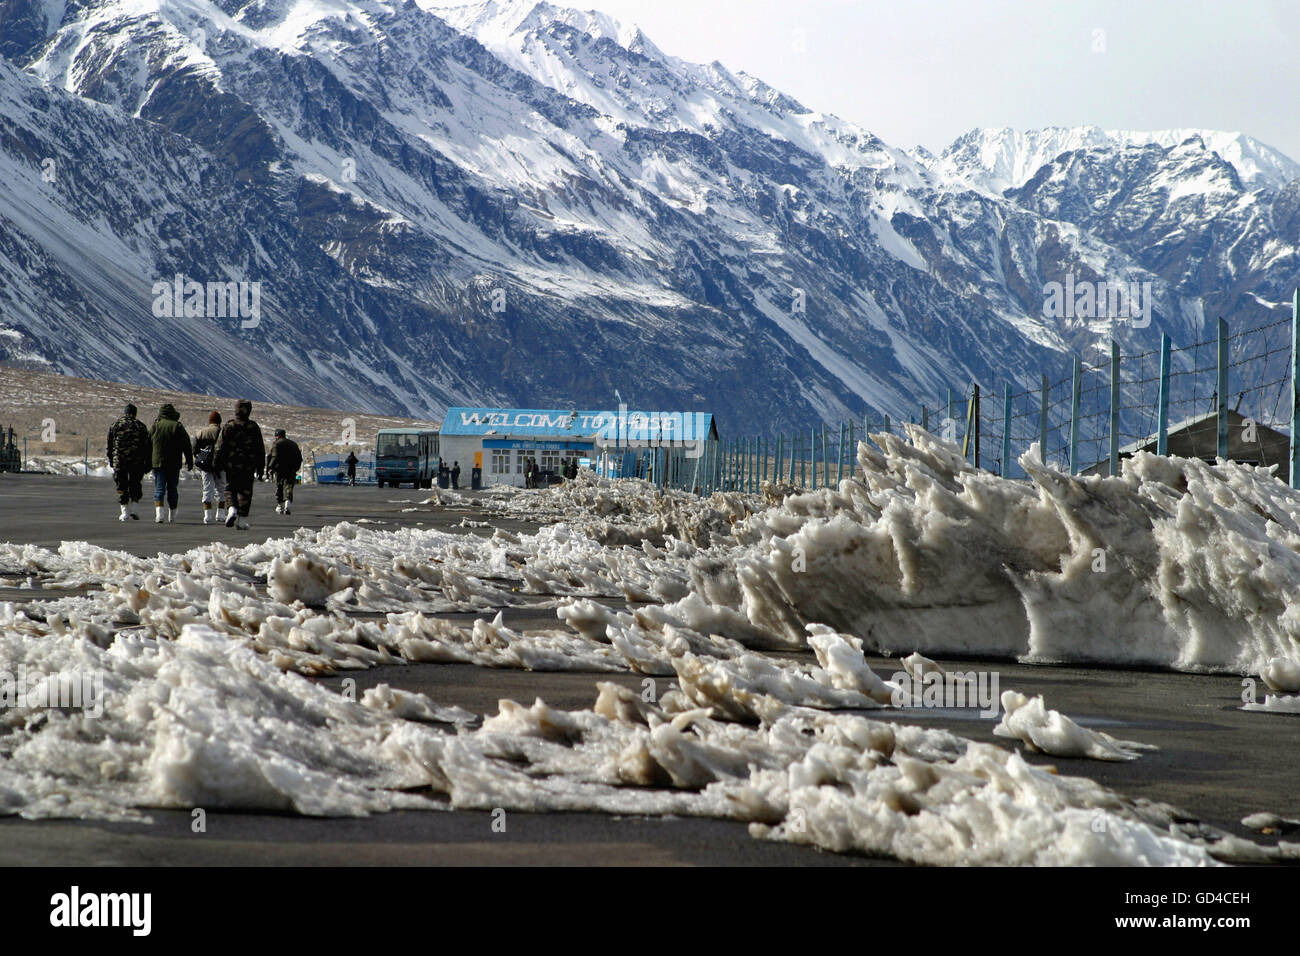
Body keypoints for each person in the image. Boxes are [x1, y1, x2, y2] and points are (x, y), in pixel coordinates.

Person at [213, 399, 265, 530]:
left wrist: (217, 464)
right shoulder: (253, 427)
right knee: (246, 492)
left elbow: (220, 447)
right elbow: (260, 449)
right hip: (248, 466)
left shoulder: (229, 426)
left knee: (230, 489)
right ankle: (241, 520)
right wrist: (260, 467)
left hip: (231, 465)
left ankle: (231, 510)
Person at [148, 403, 193, 523]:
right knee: (172, 489)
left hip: (158, 463)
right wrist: (189, 460)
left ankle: (159, 515)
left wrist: (146, 461)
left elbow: (147, 444)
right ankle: (172, 515)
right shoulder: (177, 426)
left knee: (159, 488)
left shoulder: (156, 426)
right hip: (174, 464)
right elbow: (186, 445)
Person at [107, 403, 150, 521]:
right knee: (135, 485)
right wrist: (147, 463)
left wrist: (111, 460)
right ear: (135, 413)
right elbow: (147, 447)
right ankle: (134, 510)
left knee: (121, 485)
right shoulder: (140, 426)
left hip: (119, 461)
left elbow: (110, 446)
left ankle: (124, 512)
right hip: (137, 462)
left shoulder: (115, 425)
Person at [193, 411, 225, 524]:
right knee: (221, 489)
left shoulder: (201, 432)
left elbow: (195, 449)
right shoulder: (222, 432)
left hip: (205, 465)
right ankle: (220, 514)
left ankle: (207, 516)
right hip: (220, 465)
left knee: (207, 489)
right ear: (219, 421)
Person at [267, 428, 303, 515]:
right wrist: (296, 468)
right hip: (290, 469)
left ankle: (279, 506)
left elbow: (273, 456)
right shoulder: (293, 444)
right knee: (289, 487)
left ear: (277, 436)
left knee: (279, 487)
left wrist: (270, 467)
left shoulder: (276, 444)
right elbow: (299, 458)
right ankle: (287, 505)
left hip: (279, 469)